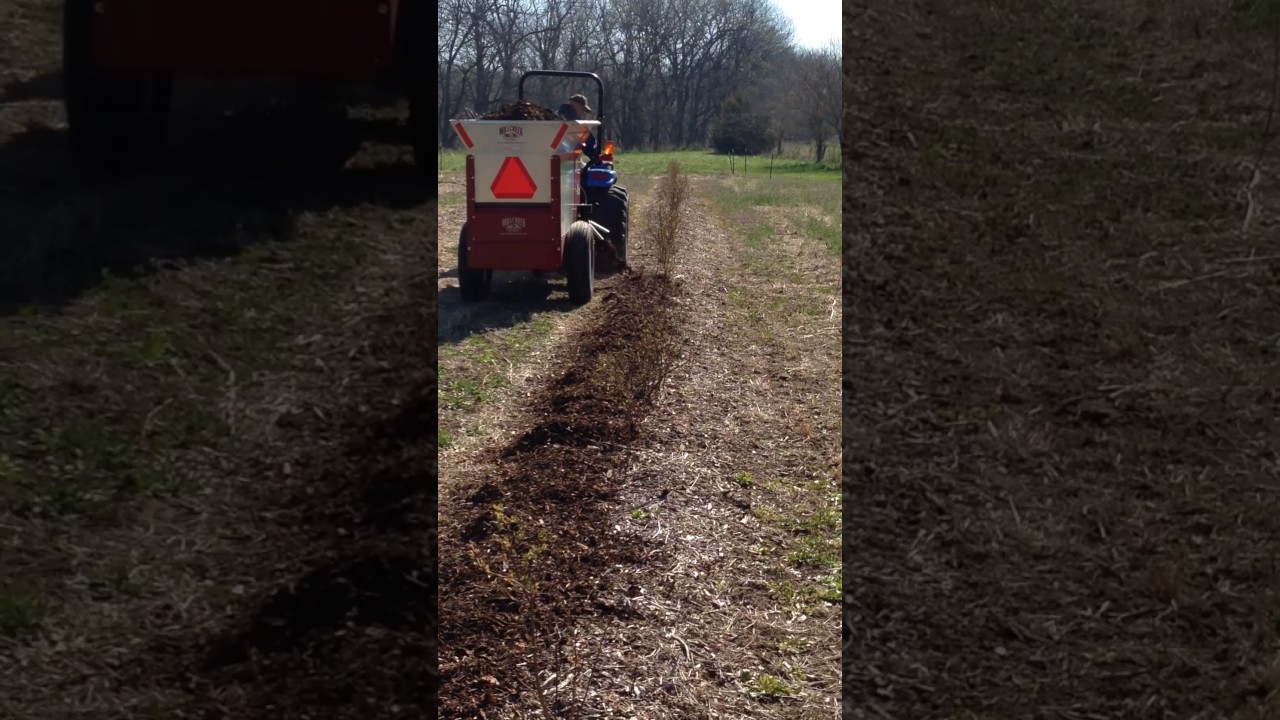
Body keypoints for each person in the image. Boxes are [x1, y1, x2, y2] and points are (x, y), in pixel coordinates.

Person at [557, 93, 599, 162]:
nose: (584, 112)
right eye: (583, 109)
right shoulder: (572, 119)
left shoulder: (564, 115)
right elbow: (588, 139)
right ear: (575, 104)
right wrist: (595, 156)